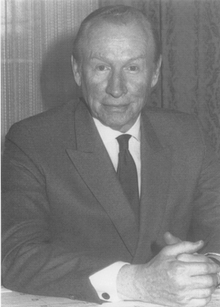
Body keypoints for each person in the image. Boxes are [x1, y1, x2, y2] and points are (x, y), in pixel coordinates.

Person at [2, 5, 220, 307]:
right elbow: (16, 256)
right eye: (101, 67)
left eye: (132, 68)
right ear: (78, 71)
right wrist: (135, 281)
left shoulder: (189, 135)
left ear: (155, 73)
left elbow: (216, 229)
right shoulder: (32, 141)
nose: (116, 89)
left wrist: (207, 266)